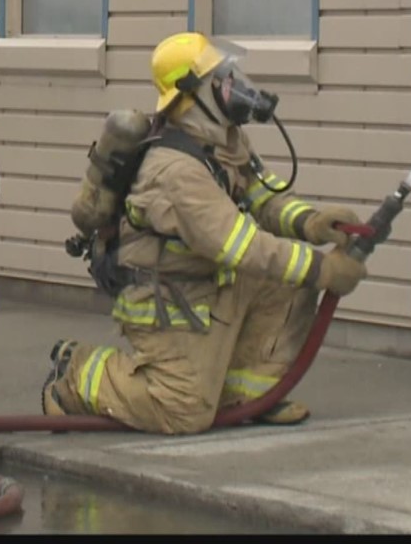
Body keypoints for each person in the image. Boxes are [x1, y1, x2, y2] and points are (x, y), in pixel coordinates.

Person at [43, 32, 369, 434]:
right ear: (192, 93)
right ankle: (75, 372)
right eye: (221, 78)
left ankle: (244, 398)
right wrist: (324, 269)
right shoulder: (174, 172)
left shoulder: (225, 143)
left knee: (288, 281)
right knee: (180, 412)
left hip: (209, 282)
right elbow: (239, 244)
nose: (234, 86)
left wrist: (311, 222)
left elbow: (263, 195)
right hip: (171, 301)